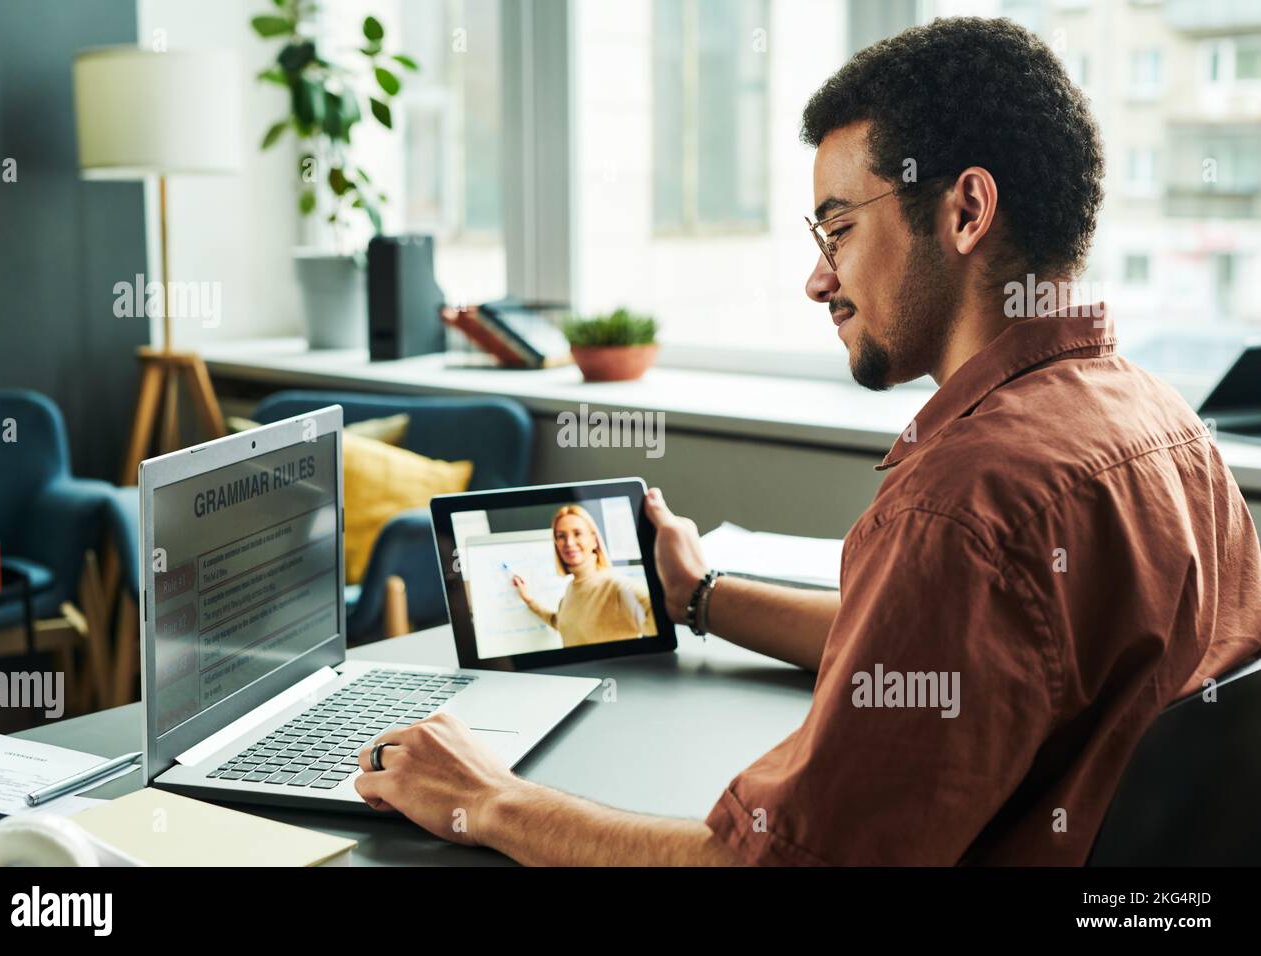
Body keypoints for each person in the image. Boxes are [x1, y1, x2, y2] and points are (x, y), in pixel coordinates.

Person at [351, 17, 1261, 865]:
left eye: (840, 228)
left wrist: (489, 801)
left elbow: (770, 865)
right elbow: (937, 657)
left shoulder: (962, 510)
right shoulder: (1168, 429)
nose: (818, 279)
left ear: (966, 212)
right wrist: (701, 595)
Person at [509, 505, 656, 647]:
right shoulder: (570, 590)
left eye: (577, 533)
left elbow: (656, 620)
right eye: (561, 536)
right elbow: (559, 622)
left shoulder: (617, 586)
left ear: (594, 539)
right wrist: (528, 600)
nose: (569, 543)